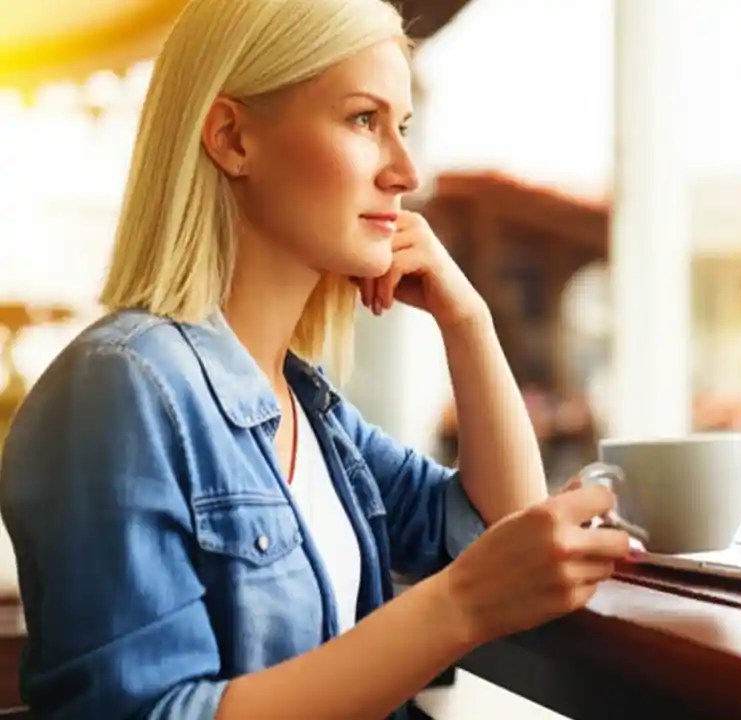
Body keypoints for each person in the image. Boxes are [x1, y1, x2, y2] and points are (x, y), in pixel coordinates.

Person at [0, 0, 634, 717]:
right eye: (363, 119)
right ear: (232, 138)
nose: (405, 172)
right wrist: (457, 606)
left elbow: (500, 537)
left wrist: (469, 321)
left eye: (403, 128)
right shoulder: (122, 389)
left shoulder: (310, 409)